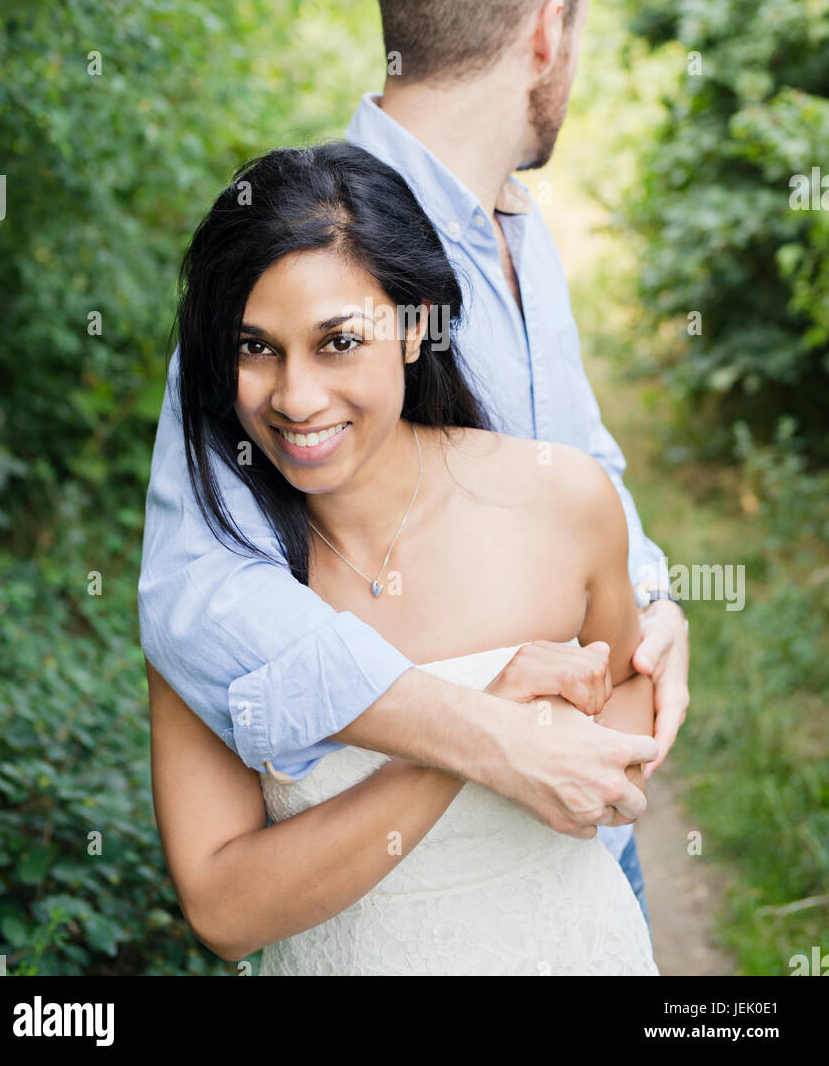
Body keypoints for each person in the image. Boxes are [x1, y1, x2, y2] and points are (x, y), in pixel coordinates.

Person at [138, 0, 689, 914]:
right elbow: (195, 597)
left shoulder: (523, 235)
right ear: (547, 35)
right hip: (377, 861)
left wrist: (655, 599)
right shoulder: (301, 257)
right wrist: (479, 732)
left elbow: (579, 465)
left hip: (575, 830)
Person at [147, 142, 658, 974]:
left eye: (338, 342)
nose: (295, 397)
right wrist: (479, 738)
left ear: (416, 326)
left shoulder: (560, 501)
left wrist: (608, 777)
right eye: (255, 347)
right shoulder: (213, 597)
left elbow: (629, 679)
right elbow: (224, 910)